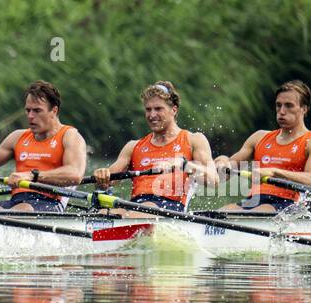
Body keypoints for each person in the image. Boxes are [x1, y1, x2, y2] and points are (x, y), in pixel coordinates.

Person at [92, 81, 217, 214]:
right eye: (148, 109)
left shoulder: (194, 140)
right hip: (135, 207)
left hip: (171, 209)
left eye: (158, 109)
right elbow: (108, 183)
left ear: (173, 110)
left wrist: (185, 165)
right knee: (104, 213)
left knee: (145, 207)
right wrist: (102, 177)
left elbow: (213, 180)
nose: (152, 115)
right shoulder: (133, 146)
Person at [0, 80, 86, 211]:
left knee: (21, 209)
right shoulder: (18, 137)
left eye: (37, 111)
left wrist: (32, 176)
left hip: (51, 202)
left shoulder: (70, 136)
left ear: (54, 110)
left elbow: (75, 175)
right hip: (17, 201)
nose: (30, 116)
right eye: (28, 110)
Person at [213, 79, 311, 212]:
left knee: (262, 209)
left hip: (289, 205)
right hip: (254, 201)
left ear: (304, 109)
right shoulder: (259, 137)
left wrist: (275, 172)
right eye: (278, 105)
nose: (282, 111)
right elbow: (228, 170)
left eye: (289, 106)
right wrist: (222, 161)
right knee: (222, 211)